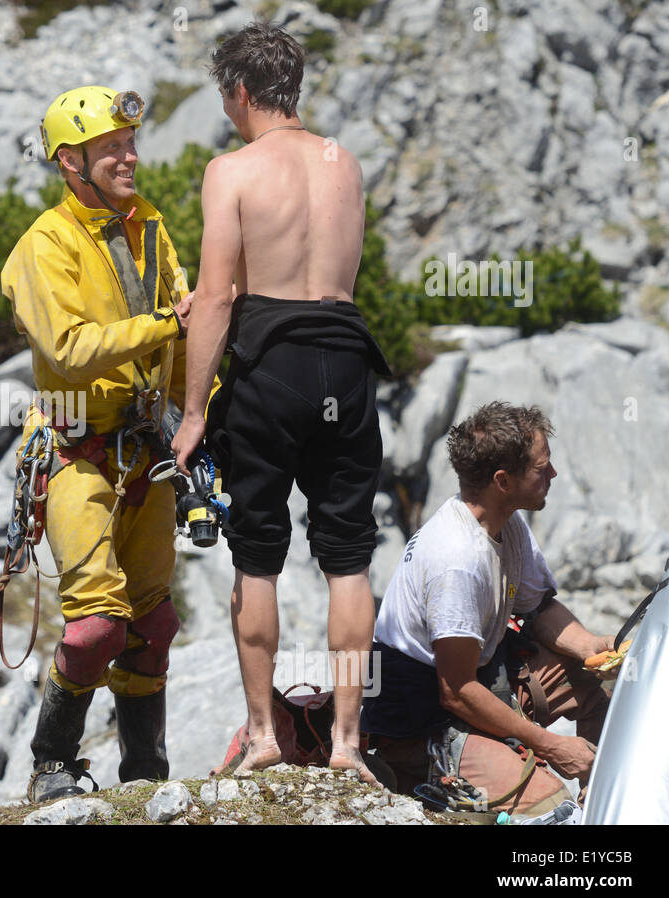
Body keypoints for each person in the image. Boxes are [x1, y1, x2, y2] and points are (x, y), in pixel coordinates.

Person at [171, 22, 390, 784]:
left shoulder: (229, 170)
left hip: (269, 364)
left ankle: (265, 732)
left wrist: (196, 412)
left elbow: (220, 296)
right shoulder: (346, 163)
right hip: (344, 357)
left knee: (257, 558)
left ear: (237, 91)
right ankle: (348, 742)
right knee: (349, 559)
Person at [1, 85, 195, 801]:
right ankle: (51, 762)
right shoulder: (42, 246)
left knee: (154, 621)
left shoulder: (151, 226)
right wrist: (170, 325)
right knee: (94, 629)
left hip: (146, 448)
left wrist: (194, 419)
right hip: (75, 448)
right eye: (112, 148)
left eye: (129, 146)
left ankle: (145, 773)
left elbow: (182, 320)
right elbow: (72, 347)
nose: (129, 158)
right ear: (70, 161)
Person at [362, 403, 613, 804]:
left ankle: (602, 793)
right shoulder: (457, 560)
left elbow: (538, 608)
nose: (553, 474)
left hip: (482, 676)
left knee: (593, 680)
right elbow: (456, 691)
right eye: (541, 468)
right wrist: (551, 745)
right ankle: (414, 771)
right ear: (503, 481)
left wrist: (587, 646)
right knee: (551, 807)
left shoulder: (507, 522)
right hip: (425, 719)